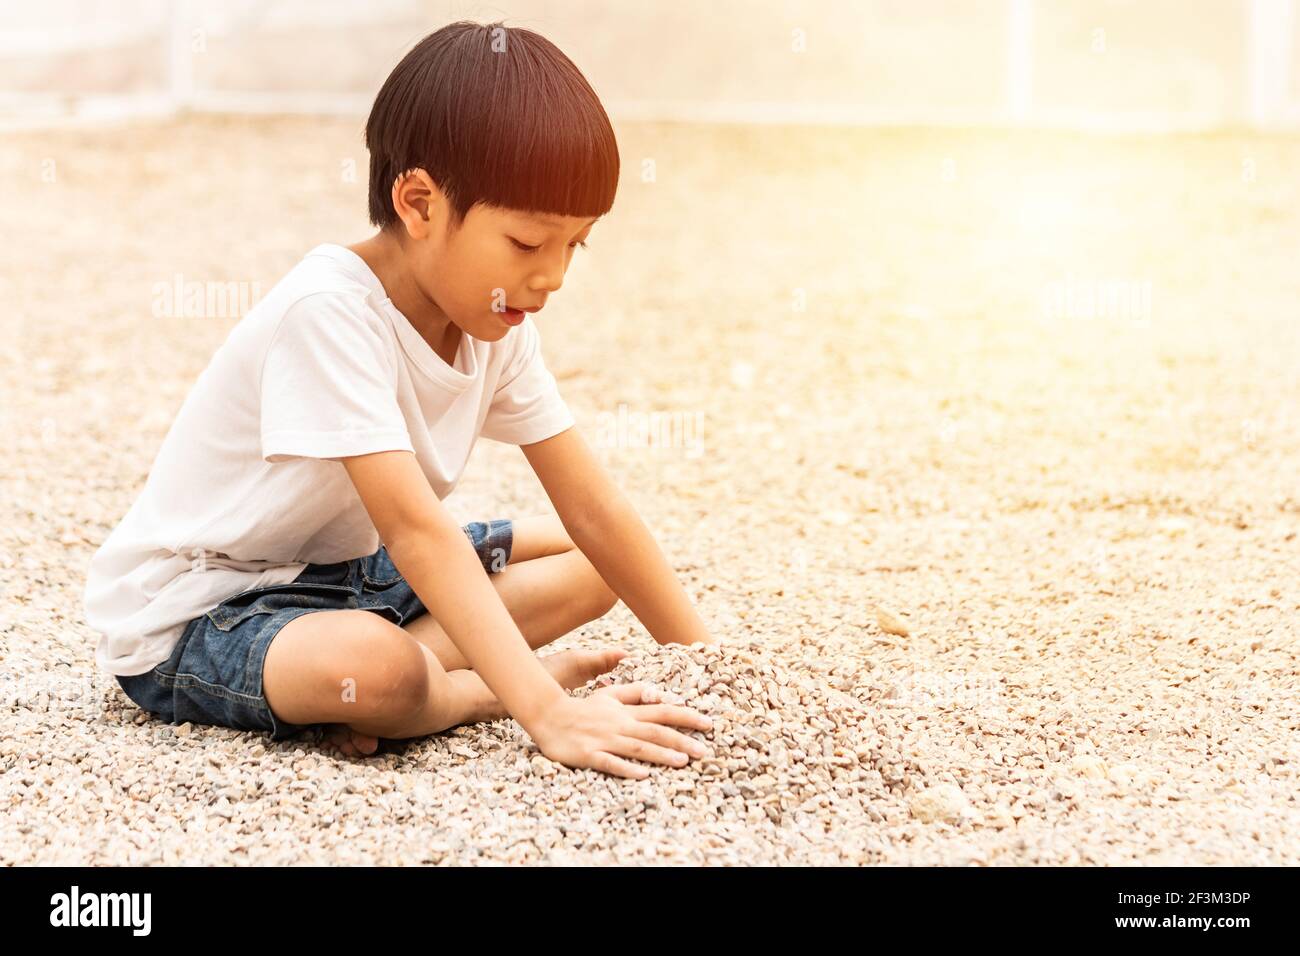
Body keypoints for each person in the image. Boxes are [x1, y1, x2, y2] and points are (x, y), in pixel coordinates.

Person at [83, 20, 717, 780]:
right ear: (419, 202)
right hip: (207, 606)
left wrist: (715, 669)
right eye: (526, 244)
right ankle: (455, 695)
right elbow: (416, 530)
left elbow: (597, 510)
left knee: (597, 563)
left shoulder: (495, 321)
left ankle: (398, 688)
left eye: (574, 245)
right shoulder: (329, 312)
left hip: (345, 575)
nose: (552, 277)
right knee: (376, 667)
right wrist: (543, 714)